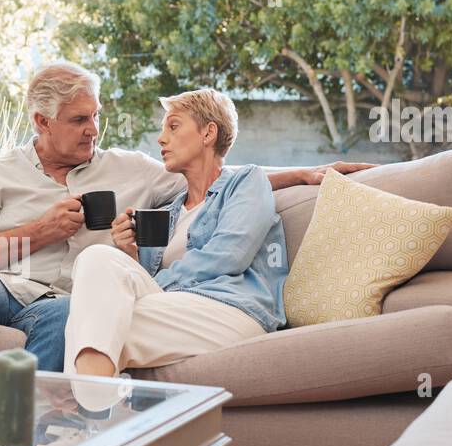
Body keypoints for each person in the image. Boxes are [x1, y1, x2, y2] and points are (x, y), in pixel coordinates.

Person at [0, 62, 371, 371]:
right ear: (42, 122)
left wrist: (307, 174)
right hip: (4, 287)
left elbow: (217, 182)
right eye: (78, 121)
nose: (93, 130)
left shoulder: (132, 170)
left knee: (73, 317)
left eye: (96, 117)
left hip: (66, 302)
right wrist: (38, 232)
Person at [66, 88, 290, 381]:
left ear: (208, 133)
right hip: (173, 308)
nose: (161, 138)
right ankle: (96, 413)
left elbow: (228, 256)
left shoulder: (247, 181)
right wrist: (131, 254)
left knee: (93, 324)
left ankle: (83, 419)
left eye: (173, 126)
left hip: (230, 308)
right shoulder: (169, 212)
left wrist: (157, 284)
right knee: (97, 275)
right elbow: (141, 281)